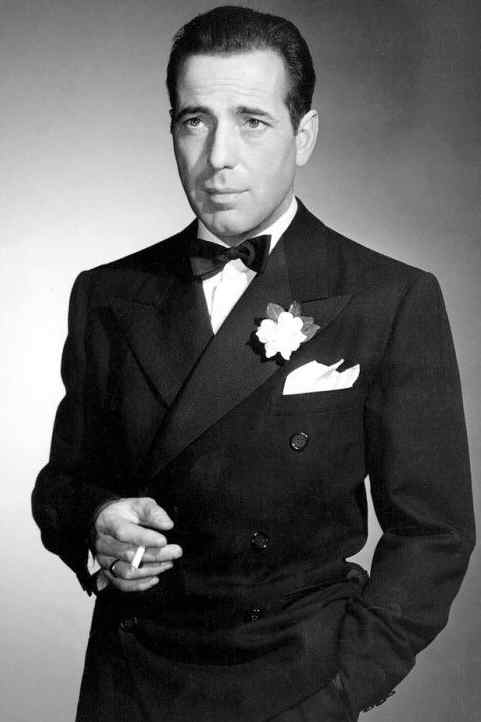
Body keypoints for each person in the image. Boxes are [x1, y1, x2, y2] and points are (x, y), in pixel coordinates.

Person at [32, 6, 475, 722]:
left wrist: (343, 686)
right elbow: (63, 481)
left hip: (293, 684)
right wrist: (96, 519)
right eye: (194, 121)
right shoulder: (107, 294)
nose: (218, 157)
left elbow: (435, 533)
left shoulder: (390, 298)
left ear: (304, 135)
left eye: (252, 121)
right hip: (131, 681)